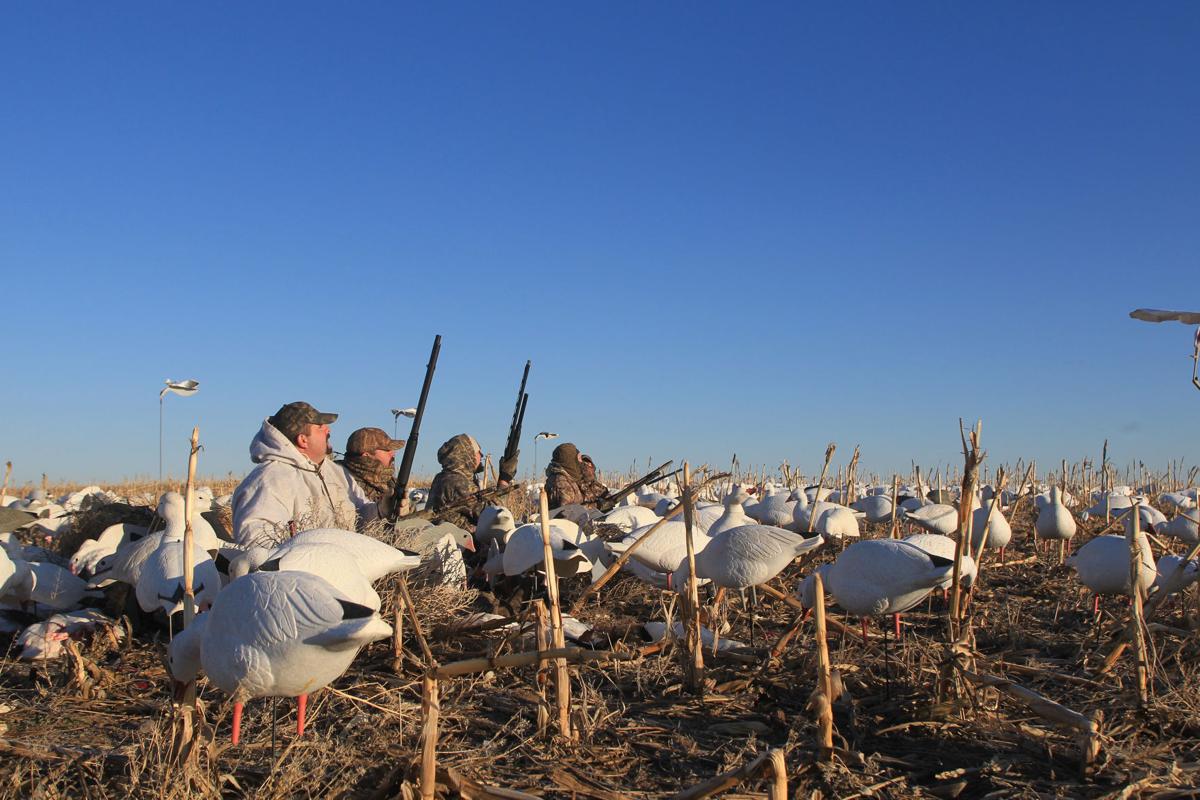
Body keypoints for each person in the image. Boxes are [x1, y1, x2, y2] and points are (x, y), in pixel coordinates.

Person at [232, 401, 377, 546]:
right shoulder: (271, 478)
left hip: (349, 558)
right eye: (320, 427)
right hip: (310, 560)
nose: (328, 429)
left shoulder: (336, 472)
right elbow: (255, 538)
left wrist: (381, 509)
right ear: (303, 440)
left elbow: (361, 516)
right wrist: (308, 551)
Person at [426, 433, 519, 530]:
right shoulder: (457, 481)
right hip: (459, 538)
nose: (481, 455)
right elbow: (492, 515)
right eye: (478, 451)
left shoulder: (443, 477)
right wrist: (504, 480)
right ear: (467, 454)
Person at [337, 427, 406, 519]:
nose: (393, 454)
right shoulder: (342, 479)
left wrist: (408, 509)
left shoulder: (391, 482)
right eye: (387, 450)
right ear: (366, 455)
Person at [544, 442, 607, 509]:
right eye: (579, 458)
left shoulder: (574, 477)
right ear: (570, 460)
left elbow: (589, 497)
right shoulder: (560, 482)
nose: (581, 461)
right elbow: (569, 511)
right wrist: (598, 506)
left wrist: (607, 500)